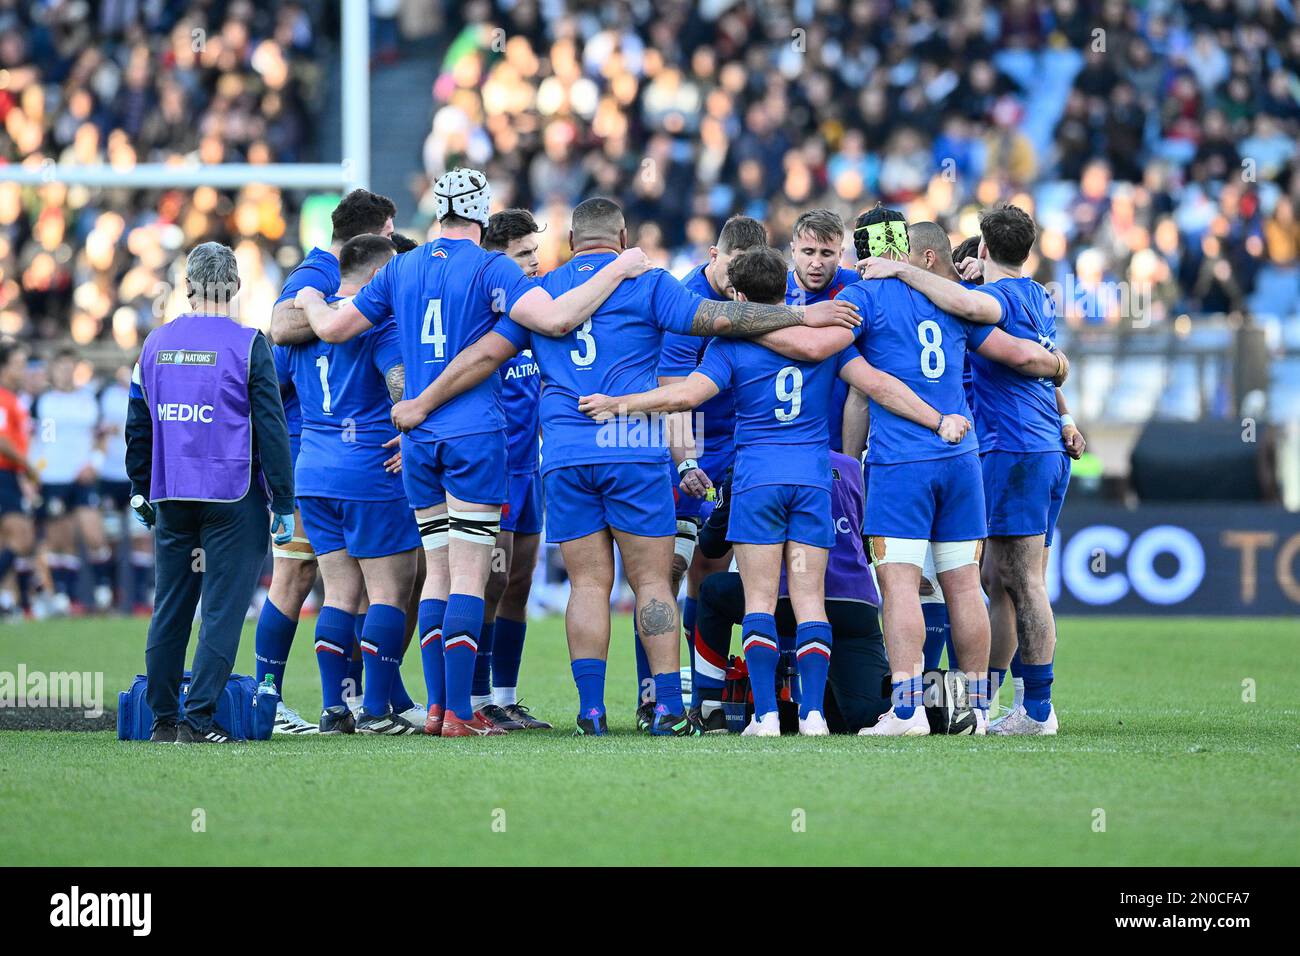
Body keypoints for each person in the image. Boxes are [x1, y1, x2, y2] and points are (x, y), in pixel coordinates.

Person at [387, 198, 861, 737]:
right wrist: (803, 312)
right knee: (652, 581)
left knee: (587, 584)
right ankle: (665, 709)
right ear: (623, 235)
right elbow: (723, 317)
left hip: (565, 452)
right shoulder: (651, 284)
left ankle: (591, 711)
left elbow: (485, 355)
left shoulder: (541, 291)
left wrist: (420, 405)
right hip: (634, 447)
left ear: (569, 241)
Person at [295, 169, 653, 738]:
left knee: (435, 573)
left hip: (417, 437)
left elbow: (336, 329)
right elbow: (558, 318)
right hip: (473, 435)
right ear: (483, 214)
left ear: (436, 210)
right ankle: (460, 711)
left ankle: (437, 709)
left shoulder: (400, 267)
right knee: (467, 574)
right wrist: (619, 266)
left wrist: (311, 299)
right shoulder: (493, 268)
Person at [577, 245, 957, 736]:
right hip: (813, 480)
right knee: (808, 598)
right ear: (787, 288)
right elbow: (878, 384)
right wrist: (937, 418)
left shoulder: (729, 347)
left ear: (737, 296)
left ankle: (767, 716)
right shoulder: (825, 340)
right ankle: (815, 716)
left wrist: (620, 403)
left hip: (757, 482)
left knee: (759, 598)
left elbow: (685, 396)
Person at [860, 205, 1078, 735]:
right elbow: (1033, 361)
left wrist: (899, 270)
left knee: (995, 583)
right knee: (985, 582)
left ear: (982, 250)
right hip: (1018, 448)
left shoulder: (981, 302)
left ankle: (1022, 709)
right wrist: (1065, 400)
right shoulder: (1035, 297)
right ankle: (981, 704)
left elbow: (1020, 355)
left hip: (996, 449)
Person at [125, 242, 295, 744]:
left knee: (171, 605)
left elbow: (138, 422)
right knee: (222, 609)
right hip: (233, 495)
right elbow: (271, 425)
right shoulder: (248, 345)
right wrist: (283, 500)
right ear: (235, 286)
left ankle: (161, 721)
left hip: (172, 493)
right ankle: (198, 721)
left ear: (189, 288)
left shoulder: (155, 344)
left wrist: (140, 487)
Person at [257, 187, 399, 735]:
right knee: (296, 576)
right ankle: (271, 697)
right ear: (378, 234)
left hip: (311, 458)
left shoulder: (325, 283)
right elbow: (280, 329)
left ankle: (350, 701)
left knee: (346, 587)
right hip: (319, 449)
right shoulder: (317, 276)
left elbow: (283, 364)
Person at [285, 234, 421, 735]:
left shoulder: (304, 325)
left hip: (314, 472)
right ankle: (378, 710)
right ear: (379, 275)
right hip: (369, 468)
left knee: (339, 593)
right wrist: (409, 426)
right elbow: (400, 379)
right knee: (389, 592)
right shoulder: (375, 320)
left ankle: (334, 707)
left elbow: (273, 382)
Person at [652, 214, 767, 729]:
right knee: (668, 572)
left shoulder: (764, 292)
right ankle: (656, 692)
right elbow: (675, 391)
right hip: (692, 444)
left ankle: (710, 692)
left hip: (745, 448)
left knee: (718, 571)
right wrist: (687, 461)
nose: (739, 287)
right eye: (731, 273)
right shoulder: (685, 301)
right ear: (713, 257)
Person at [693, 451, 891, 733]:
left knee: (714, 591)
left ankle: (710, 708)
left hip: (781, 596)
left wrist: (707, 511)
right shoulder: (850, 467)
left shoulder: (749, 463)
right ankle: (934, 700)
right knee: (865, 718)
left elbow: (712, 545)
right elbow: (865, 541)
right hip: (852, 598)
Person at [476, 209, 551, 730]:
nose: (534, 262)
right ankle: (477, 698)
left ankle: (505, 696)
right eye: (524, 255)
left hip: (531, 468)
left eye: (535, 252)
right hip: (493, 467)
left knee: (518, 582)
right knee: (487, 583)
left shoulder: (539, 312)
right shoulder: (480, 315)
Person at [30, 348, 114, 611]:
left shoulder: (90, 400)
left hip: (83, 476)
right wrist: (34, 475)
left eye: (70, 367)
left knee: (93, 534)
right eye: (61, 367)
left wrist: (94, 464)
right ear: (52, 370)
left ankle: (104, 587)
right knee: (60, 539)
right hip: (53, 477)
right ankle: (66, 596)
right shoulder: (42, 402)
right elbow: (36, 442)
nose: (65, 372)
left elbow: (103, 436)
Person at [786, 209, 862, 451]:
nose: (816, 263)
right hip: (784, 439)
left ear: (840, 254)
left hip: (839, 439)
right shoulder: (772, 292)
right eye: (808, 252)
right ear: (793, 250)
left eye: (826, 253)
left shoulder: (858, 286)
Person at [0, 342, 38, 617]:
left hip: (11, 474)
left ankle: (9, 601)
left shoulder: (14, 398)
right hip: (4, 473)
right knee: (21, 535)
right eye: (18, 364)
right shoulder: (2, 397)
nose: (23, 370)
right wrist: (28, 465)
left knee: (10, 538)